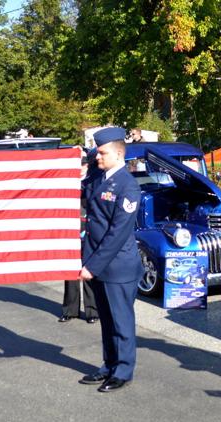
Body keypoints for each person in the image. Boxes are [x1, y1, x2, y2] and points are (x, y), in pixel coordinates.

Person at [78, 127, 143, 393]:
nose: (97, 157)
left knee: (121, 322)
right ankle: (109, 365)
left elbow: (117, 234)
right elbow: (81, 192)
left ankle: (123, 371)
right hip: (99, 264)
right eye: (97, 152)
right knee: (106, 320)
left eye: (103, 152)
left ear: (118, 154)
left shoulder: (128, 186)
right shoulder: (98, 178)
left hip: (117, 267)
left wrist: (91, 266)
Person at [60, 152, 98, 324]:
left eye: (82, 164)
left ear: (87, 165)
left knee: (88, 271)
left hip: (88, 228)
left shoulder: (93, 181)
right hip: (71, 229)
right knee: (70, 272)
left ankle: (92, 312)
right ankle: (70, 310)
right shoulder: (66, 182)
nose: (80, 167)